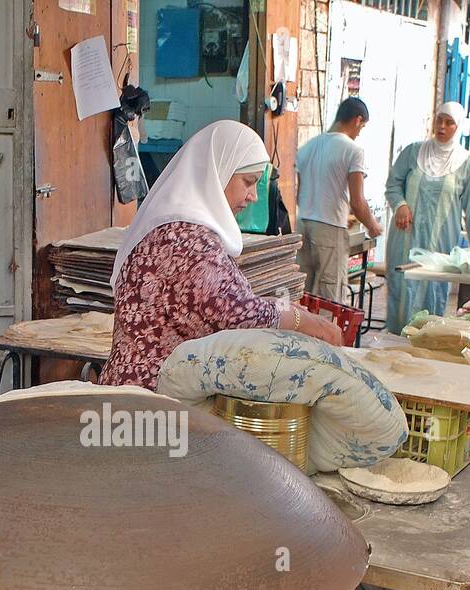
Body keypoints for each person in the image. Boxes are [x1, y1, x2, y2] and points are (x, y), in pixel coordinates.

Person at [99, 121, 342, 390]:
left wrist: (284, 308)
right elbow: (236, 314)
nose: (252, 197)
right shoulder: (185, 239)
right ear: (218, 172)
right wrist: (302, 320)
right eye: (248, 182)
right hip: (152, 400)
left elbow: (216, 303)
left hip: (142, 391)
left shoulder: (175, 226)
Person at [383, 102, 470, 333]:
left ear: (458, 126)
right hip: (404, 239)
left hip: (440, 244)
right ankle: (394, 347)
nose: (442, 126)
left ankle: (427, 345)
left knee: (432, 292)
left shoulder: (466, 163)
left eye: (449, 122)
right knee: (402, 290)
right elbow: (393, 184)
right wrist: (400, 204)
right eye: (439, 119)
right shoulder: (413, 152)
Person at [295, 97, 383, 304]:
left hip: (303, 226)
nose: (360, 131)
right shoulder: (353, 150)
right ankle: (326, 337)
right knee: (329, 299)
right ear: (357, 120)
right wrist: (372, 225)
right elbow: (357, 202)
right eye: (362, 126)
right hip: (330, 230)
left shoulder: (307, 147)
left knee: (303, 296)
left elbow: (301, 196)